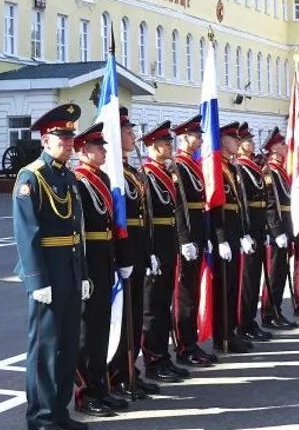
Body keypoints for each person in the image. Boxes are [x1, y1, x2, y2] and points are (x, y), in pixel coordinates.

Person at [11, 103, 88, 430]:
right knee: (45, 350)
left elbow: (77, 230)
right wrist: (36, 280)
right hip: (48, 273)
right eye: (62, 138)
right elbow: (26, 233)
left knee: (68, 346)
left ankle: (59, 412)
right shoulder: (31, 177)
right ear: (45, 140)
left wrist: (82, 273)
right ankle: (41, 420)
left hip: (69, 269)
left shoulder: (67, 176)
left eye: (71, 138)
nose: (69, 144)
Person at [71, 122, 130, 418]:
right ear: (83, 151)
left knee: (101, 329)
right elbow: (78, 231)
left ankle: (100, 386)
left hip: (104, 257)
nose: (105, 150)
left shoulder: (102, 178)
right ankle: (85, 393)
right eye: (99, 146)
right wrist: (80, 272)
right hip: (89, 260)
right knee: (86, 331)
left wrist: (119, 258)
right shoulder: (78, 181)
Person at [109, 111, 163, 402]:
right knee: (123, 318)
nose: (133, 136)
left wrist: (148, 252)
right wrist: (123, 256)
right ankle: (117, 377)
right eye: (127, 131)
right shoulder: (113, 174)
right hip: (123, 255)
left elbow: (143, 216)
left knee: (135, 316)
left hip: (139, 252)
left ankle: (131, 373)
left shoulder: (130, 171)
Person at [139, 119, 191, 384]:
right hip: (156, 245)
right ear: (151, 145)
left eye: (169, 142)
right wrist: (149, 252)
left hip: (168, 243)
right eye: (164, 142)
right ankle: (153, 360)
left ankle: (163, 357)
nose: (169, 146)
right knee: (152, 309)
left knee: (164, 305)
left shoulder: (165, 172)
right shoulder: (146, 174)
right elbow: (146, 216)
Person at [172, 114, 216, 368]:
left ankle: (191, 342)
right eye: (196, 136)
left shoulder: (192, 164)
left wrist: (205, 237)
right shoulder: (178, 165)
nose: (200, 140)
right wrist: (185, 239)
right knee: (184, 296)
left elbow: (200, 205)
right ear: (184, 137)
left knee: (192, 292)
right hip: (186, 239)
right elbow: (179, 206)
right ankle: (184, 345)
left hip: (198, 234)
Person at [211, 122, 251, 353]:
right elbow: (215, 206)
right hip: (224, 234)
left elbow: (239, 205)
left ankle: (231, 331)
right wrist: (221, 237)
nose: (237, 142)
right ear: (222, 141)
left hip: (235, 233)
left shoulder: (232, 168)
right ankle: (222, 336)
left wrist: (244, 233)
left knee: (233, 286)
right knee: (223, 288)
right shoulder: (215, 167)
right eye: (233, 138)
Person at [233, 122, 272, 342]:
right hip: (248, 227)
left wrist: (264, 227)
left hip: (258, 226)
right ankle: (244, 323)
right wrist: (245, 231)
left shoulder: (252, 167)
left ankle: (250, 320)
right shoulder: (239, 167)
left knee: (254, 277)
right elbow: (242, 203)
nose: (252, 143)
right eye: (247, 140)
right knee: (246, 280)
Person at [260, 128, 296, 328]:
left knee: (281, 272)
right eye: (281, 144)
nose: (285, 147)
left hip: (285, 225)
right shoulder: (269, 172)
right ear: (273, 148)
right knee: (273, 274)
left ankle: (277, 310)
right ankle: (268, 313)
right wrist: (276, 231)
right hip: (277, 230)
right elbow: (271, 205)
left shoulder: (280, 171)